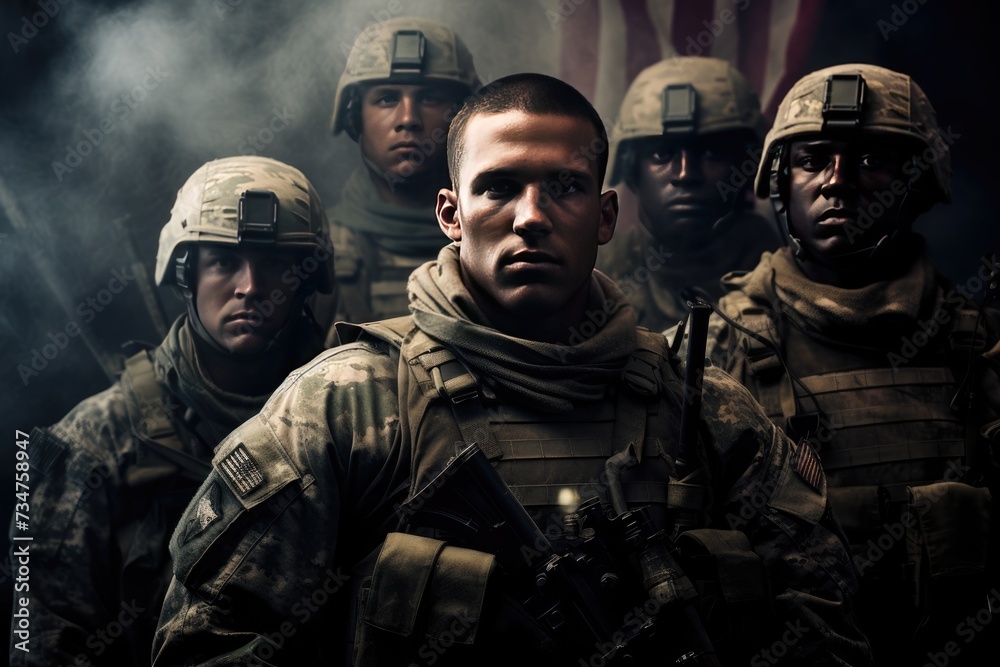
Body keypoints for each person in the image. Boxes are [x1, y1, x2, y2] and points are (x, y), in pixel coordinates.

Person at [152, 74, 870, 666]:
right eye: (498, 187)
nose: (531, 216)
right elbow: (206, 642)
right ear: (451, 213)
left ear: (606, 214)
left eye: (564, 187)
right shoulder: (345, 403)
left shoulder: (708, 408)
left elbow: (827, 627)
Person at [695, 63, 1000, 663]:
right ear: (781, 182)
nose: (838, 182)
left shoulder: (982, 345)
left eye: (870, 161)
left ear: (917, 184)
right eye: (811, 160)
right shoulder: (712, 349)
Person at [10, 156, 332, 666]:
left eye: (274, 263)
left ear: (307, 279)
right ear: (185, 273)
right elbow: (45, 640)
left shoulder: (356, 414)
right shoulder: (94, 440)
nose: (250, 285)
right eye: (224, 262)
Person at [308, 16, 480, 342]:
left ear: (463, 116)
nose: (408, 119)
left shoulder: (499, 239)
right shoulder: (314, 251)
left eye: (430, 99)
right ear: (353, 116)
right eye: (387, 98)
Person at [598, 57, 781, 332]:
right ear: (631, 170)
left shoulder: (787, 282)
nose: (685, 174)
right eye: (662, 153)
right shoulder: (591, 278)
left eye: (712, 153)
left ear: (749, 168)